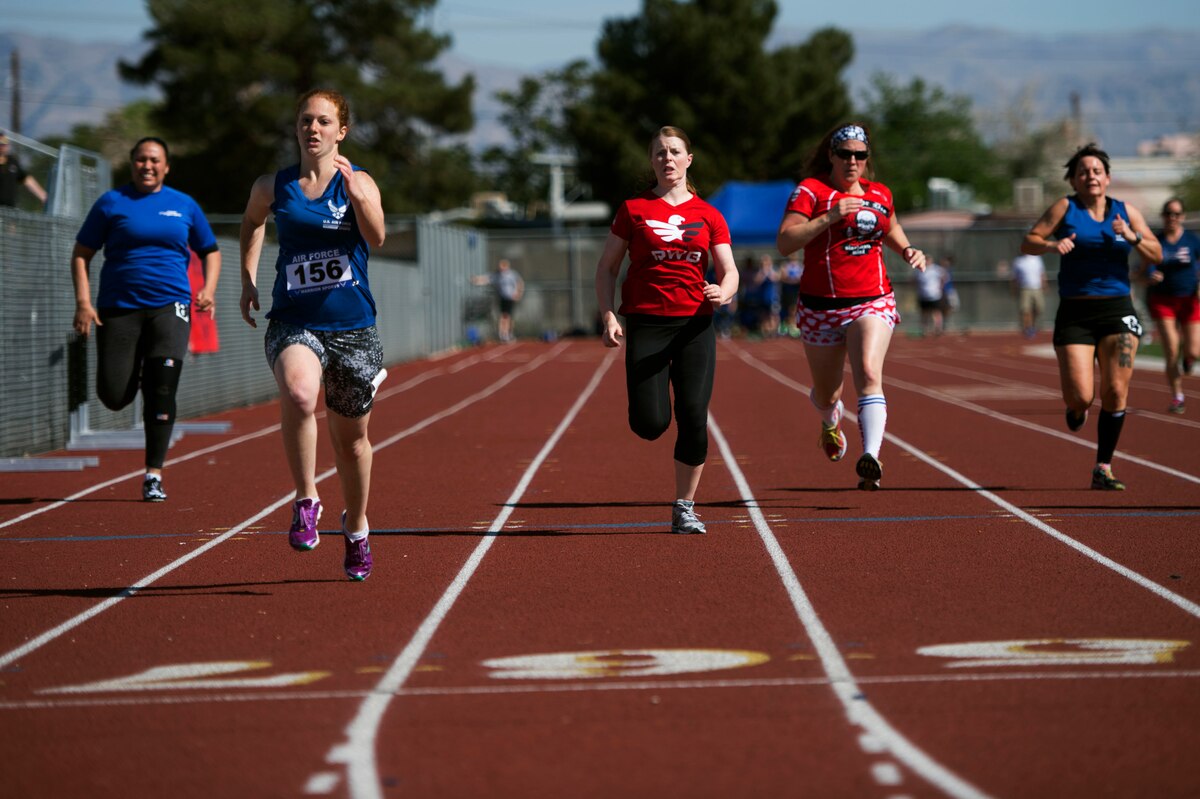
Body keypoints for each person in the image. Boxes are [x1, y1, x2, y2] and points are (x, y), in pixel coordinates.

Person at [239, 89, 387, 580]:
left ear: (340, 131)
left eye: (324, 121)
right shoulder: (273, 185)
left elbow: (378, 237)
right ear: (297, 128)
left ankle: (358, 526)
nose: (314, 129)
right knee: (300, 394)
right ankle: (306, 498)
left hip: (352, 329)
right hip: (293, 321)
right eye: (306, 120)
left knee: (352, 444)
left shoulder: (358, 181)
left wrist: (362, 197)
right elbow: (252, 222)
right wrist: (247, 277)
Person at [595, 125, 739, 534]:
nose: (668, 158)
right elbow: (606, 268)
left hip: (695, 324)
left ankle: (684, 506)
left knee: (693, 413)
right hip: (646, 323)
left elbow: (730, 271)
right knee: (650, 423)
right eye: (660, 153)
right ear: (652, 161)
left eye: (675, 151)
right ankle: (652, 426)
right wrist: (608, 315)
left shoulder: (709, 214)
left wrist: (723, 292)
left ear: (688, 159)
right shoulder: (633, 210)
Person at [776, 122, 927, 490]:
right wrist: (830, 216)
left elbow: (889, 225)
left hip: (871, 300)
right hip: (820, 307)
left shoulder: (880, 193)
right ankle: (830, 423)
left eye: (860, 155)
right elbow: (784, 242)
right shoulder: (811, 191)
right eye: (845, 154)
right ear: (831, 155)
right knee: (827, 393)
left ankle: (871, 457)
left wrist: (907, 249)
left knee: (868, 372)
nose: (853, 161)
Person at [70, 136, 221, 501]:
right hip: (119, 306)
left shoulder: (183, 205)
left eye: (154, 160)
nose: (147, 166)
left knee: (163, 387)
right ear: (132, 164)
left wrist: (209, 289)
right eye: (140, 160)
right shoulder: (111, 203)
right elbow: (81, 254)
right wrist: (83, 302)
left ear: (166, 166)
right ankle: (137, 370)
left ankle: (154, 473)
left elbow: (210, 250)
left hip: (170, 306)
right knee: (113, 395)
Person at [1021, 142, 1161, 490]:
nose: (1091, 176)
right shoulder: (1065, 208)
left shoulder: (1125, 211)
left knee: (1115, 391)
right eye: (1083, 171)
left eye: (1097, 171)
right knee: (1082, 395)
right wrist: (1053, 245)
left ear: (1108, 178)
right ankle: (1076, 409)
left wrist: (1132, 236)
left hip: (1117, 309)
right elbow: (1029, 241)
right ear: (1074, 179)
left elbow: (1155, 251)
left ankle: (1103, 466)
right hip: (1076, 312)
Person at [1138, 197, 1200, 414]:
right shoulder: (1156, 241)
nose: (1172, 218)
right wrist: (1149, 277)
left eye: (1176, 214)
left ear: (1182, 217)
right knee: (1171, 349)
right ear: (1163, 216)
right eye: (1168, 214)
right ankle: (1178, 397)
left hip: (1190, 300)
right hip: (1163, 301)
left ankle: (1189, 359)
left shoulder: (1192, 240)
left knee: (1193, 349)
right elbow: (1141, 270)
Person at [471, 258, 524, 342]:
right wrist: (476, 280)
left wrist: (518, 293)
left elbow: (519, 283)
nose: (501, 268)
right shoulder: (497, 275)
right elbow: (487, 279)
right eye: (500, 266)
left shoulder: (512, 274)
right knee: (503, 316)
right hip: (502, 298)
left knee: (508, 316)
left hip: (510, 297)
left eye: (503, 266)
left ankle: (509, 333)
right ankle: (503, 334)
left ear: (507, 266)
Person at [0, 133, 48, 208]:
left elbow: (26, 179)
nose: (3, 146)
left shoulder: (12, 162)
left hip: (9, 211)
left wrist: (43, 195)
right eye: (1, 143)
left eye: (5, 143)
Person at [1010, 251, 1047, 338]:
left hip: (1037, 288)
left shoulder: (1037, 258)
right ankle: (1028, 328)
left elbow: (1042, 273)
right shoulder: (1018, 261)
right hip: (1025, 288)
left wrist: (1044, 284)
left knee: (1039, 308)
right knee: (1026, 310)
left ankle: (1033, 325)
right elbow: (1015, 277)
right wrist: (1014, 289)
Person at [912, 254, 949, 336]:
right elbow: (914, 280)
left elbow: (944, 277)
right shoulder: (919, 269)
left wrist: (940, 287)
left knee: (936, 312)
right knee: (924, 313)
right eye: (926, 260)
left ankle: (938, 329)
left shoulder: (936, 269)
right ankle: (924, 330)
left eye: (929, 260)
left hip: (935, 295)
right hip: (923, 295)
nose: (927, 261)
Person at [778, 250, 803, 337]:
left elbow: (802, 277)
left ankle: (794, 325)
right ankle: (787, 325)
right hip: (787, 290)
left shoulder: (799, 266)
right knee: (787, 308)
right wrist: (791, 280)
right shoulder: (785, 266)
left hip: (795, 290)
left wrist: (794, 280)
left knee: (794, 309)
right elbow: (782, 277)